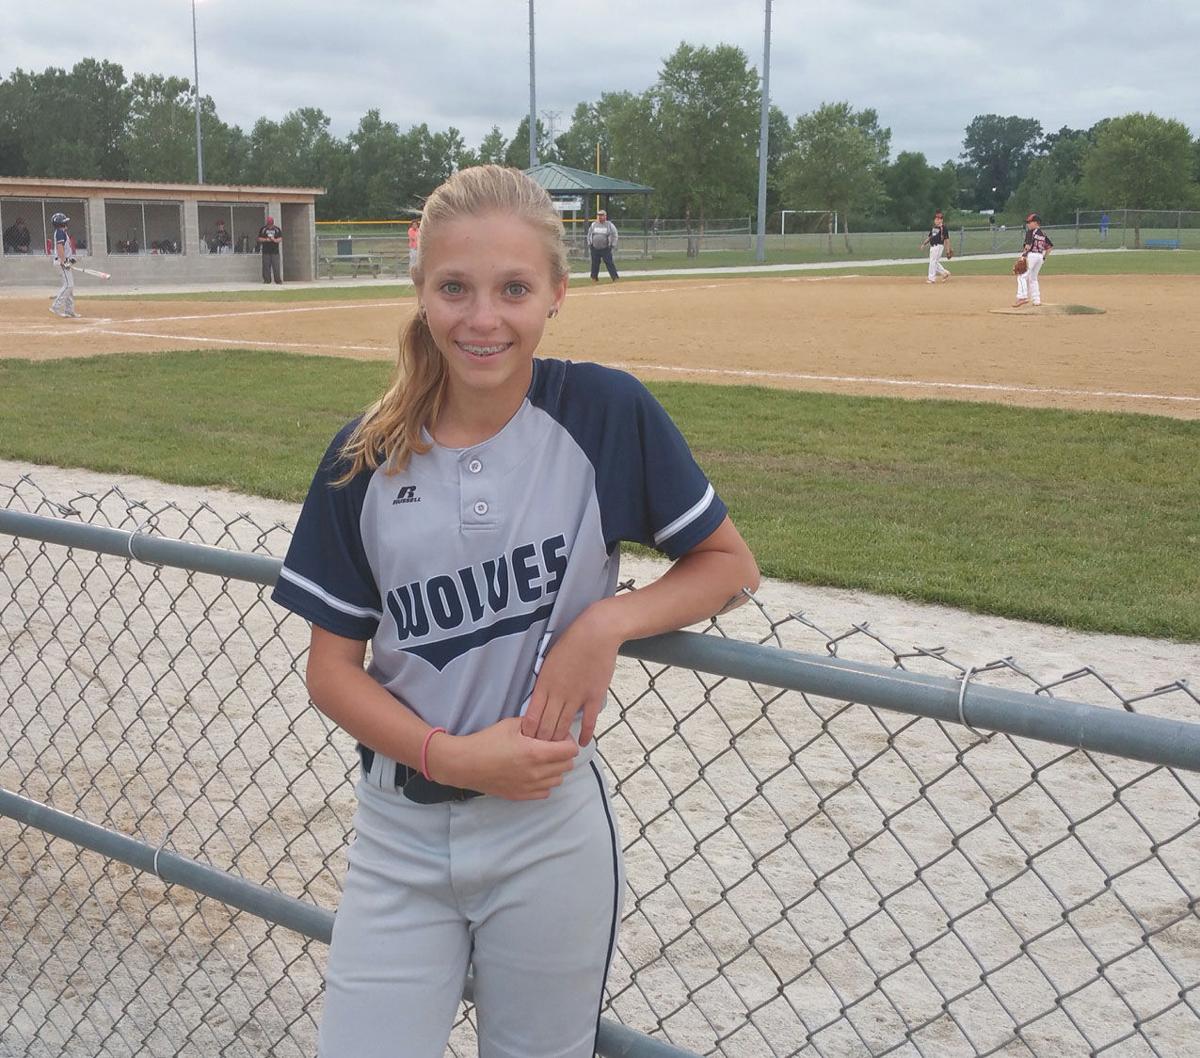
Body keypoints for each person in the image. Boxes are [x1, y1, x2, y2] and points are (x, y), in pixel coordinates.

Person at [270, 164, 759, 1058]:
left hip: (547, 828)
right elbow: (330, 670)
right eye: (454, 287)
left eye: (513, 289)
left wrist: (603, 622)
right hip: (400, 833)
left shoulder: (604, 412)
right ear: (420, 292)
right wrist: (449, 753)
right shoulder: (365, 453)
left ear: (557, 294)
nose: (483, 318)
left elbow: (728, 564)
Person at [1014, 212, 1053, 308]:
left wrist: (1022, 257)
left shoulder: (1030, 232)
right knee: (1033, 278)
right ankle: (1036, 300)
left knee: (1022, 276)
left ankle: (1022, 297)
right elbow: (1049, 247)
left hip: (1031, 255)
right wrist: (1043, 258)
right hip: (1039, 256)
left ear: (1036, 223)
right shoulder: (1043, 234)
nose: (1028, 224)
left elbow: (1028, 246)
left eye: (1029, 222)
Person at [48, 212, 80, 319]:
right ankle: (55, 306)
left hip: (64, 261)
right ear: (60, 223)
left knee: (69, 287)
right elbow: (59, 247)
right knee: (68, 285)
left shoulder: (62, 232)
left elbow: (65, 249)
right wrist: (63, 261)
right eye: (64, 221)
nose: (66, 223)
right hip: (61, 262)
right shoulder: (59, 232)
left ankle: (69, 310)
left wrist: (70, 259)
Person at [918, 210, 952, 283]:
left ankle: (931, 278)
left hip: (938, 246)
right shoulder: (934, 228)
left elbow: (947, 240)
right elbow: (930, 237)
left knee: (932, 262)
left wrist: (948, 250)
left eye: (939, 219)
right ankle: (944, 273)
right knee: (935, 262)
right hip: (933, 246)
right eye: (936, 219)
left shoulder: (943, 228)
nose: (937, 220)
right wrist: (923, 244)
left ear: (942, 220)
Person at [586, 208, 619, 282]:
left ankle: (615, 277)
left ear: (605, 216)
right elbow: (589, 234)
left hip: (606, 248)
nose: (600, 217)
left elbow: (615, 234)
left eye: (602, 215)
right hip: (594, 248)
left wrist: (613, 244)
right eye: (599, 215)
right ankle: (594, 278)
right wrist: (589, 244)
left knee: (609, 263)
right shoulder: (594, 224)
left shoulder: (609, 225)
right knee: (595, 263)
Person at [257, 215, 283, 283]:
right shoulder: (263, 229)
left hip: (275, 252)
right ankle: (267, 280)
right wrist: (266, 240)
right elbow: (259, 238)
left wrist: (274, 240)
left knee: (276, 267)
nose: (270, 225)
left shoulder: (277, 229)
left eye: (271, 224)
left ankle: (278, 280)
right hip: (266, 251)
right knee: (266, 267)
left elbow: (280, 238)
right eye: (269, 224)